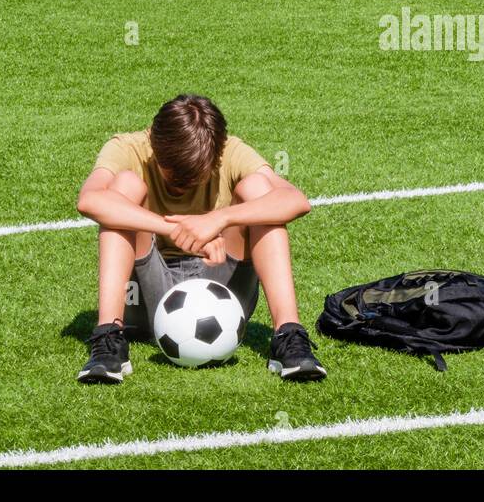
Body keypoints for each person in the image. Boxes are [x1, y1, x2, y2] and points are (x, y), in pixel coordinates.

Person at [75, 93, 326, 383]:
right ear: (154, 147)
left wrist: (219, 219)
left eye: (195, 178)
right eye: (173, 178)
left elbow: (296, 200)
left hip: (221, 286)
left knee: (258, 189)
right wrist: (173, 229)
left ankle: (289, 335)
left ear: (217, 156)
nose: (183, 187)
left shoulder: (230, 150)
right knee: (125, 186)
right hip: (145, 291)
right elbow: (89, 200)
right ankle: (109, 340)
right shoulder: (128, 148)